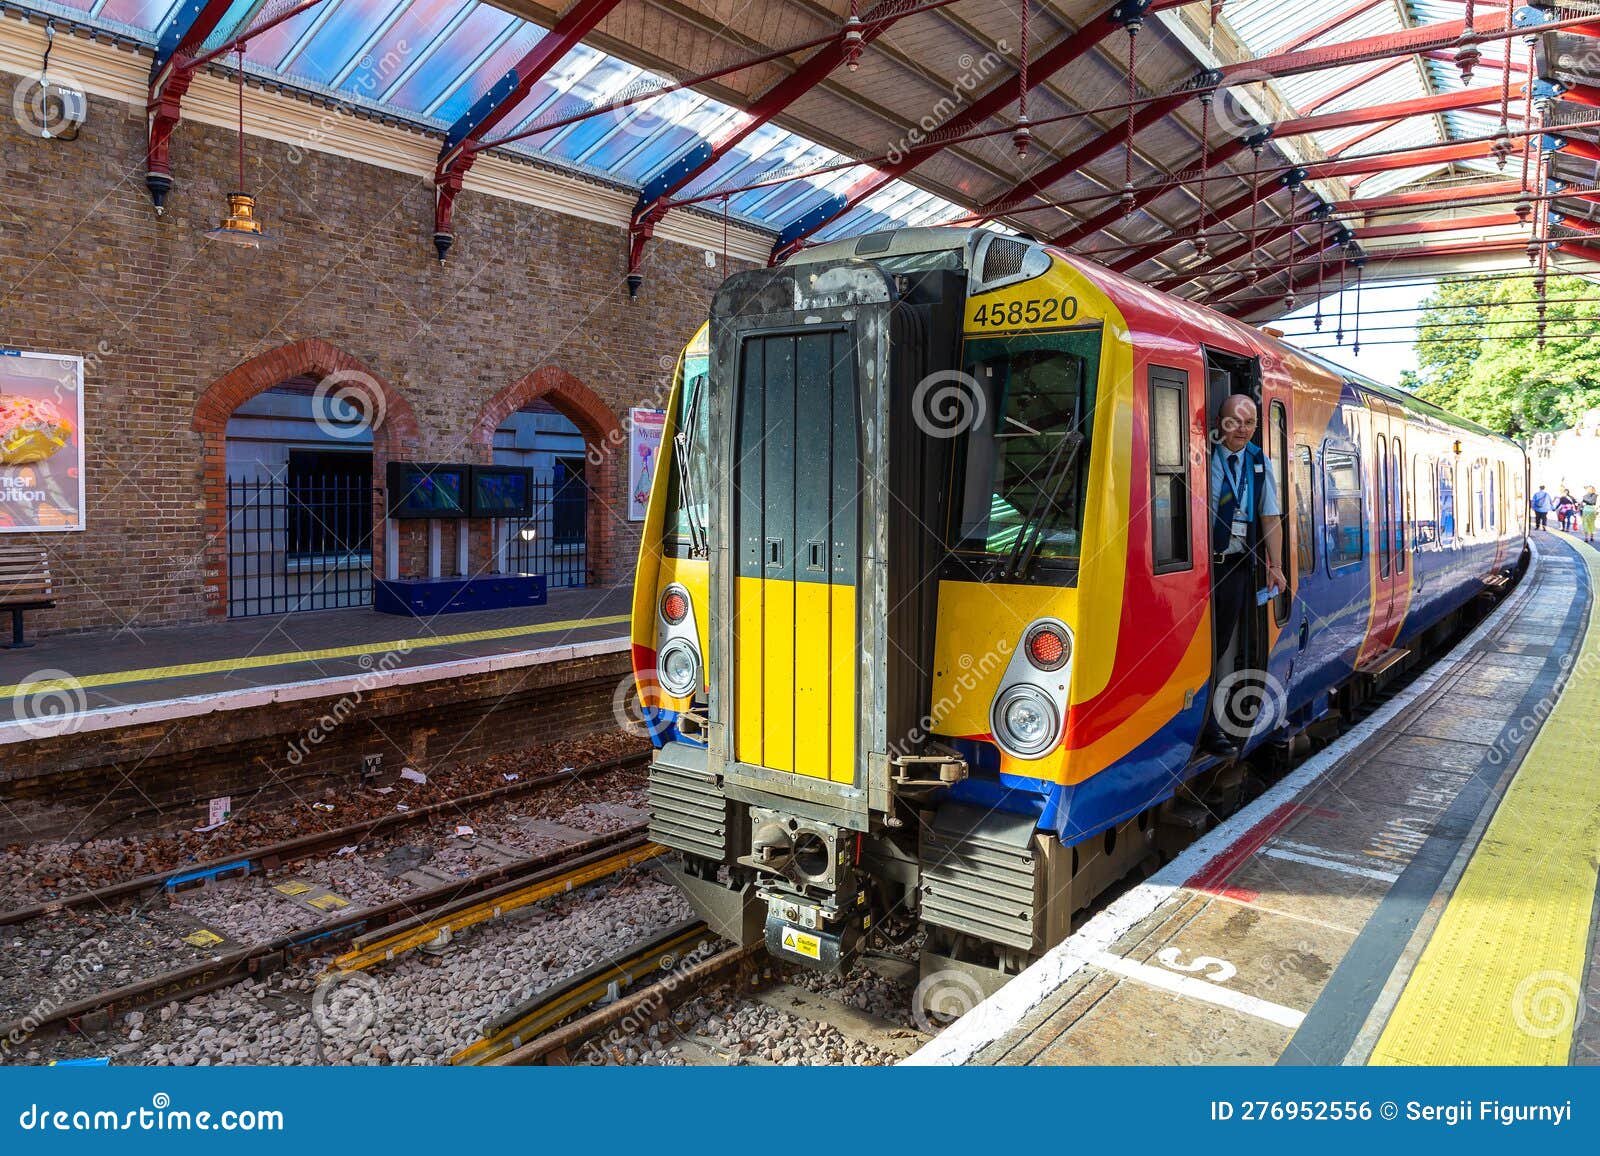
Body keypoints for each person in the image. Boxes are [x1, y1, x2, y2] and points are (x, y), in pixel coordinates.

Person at [1203, 394, 1287, 757]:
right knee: (1196, 649)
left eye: (1249, 423)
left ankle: (1207, 724)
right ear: (1220, 423)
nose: (1241, 429)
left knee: (1217, 646)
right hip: (1198, 568)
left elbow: (1270, 516)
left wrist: (1276, 564)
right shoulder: (1201, 455)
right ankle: (1199, 724)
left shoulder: (1258, 462)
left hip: (1234, 567)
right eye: (1233, 421)